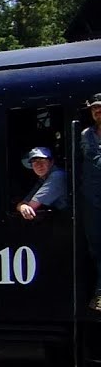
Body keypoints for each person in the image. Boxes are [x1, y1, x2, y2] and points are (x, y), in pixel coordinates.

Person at [81, 94, 101, 310]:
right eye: (94, 108)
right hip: (92, 200)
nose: (97, 111)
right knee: (96, 247)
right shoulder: (86, 134)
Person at [16, 146, 68, 220]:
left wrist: (22, 206)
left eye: (43, 160)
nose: (39, 165)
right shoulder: (43, 178)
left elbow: (31, 207)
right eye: (34, 161)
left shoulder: (57, 176)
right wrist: (22, 206)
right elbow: (25, 203)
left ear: (51, 162)